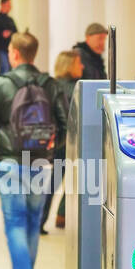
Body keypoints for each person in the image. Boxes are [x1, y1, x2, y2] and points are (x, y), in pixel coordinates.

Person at [0, 32, 67, 269]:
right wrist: (50, 149)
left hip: (9, 161)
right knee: (31, 223)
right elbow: (65, 126)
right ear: (34, 54)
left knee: (14, 223)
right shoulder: (50, 85)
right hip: (40, 162)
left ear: (14, 53)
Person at [41, 50, 82, 233]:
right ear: (70, 66)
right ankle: (62, 216)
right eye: (78, 63)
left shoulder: (51, 85)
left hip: (53, 141)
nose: (82, 66)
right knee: (76, 182)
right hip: (70, 141)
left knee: (51, 184)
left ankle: (40, 220)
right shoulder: (77, 88)